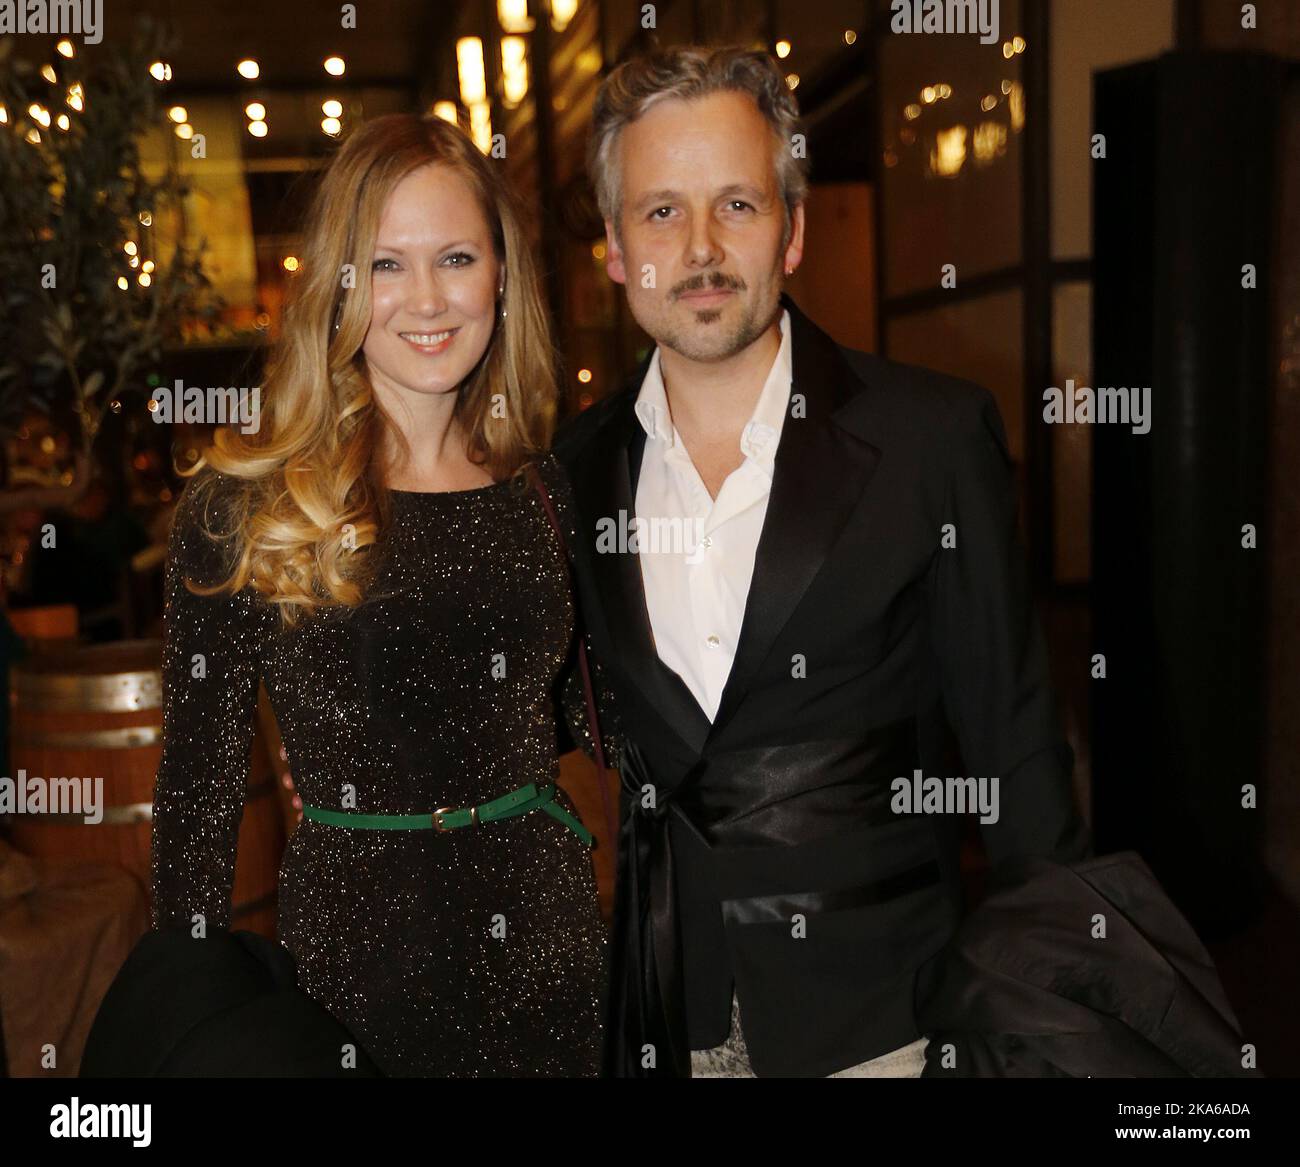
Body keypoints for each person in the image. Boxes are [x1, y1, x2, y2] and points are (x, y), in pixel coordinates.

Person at [553, 45, 1092, 1078]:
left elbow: (1017, 755)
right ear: (615, 248)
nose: (700, 246)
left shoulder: (929, 442)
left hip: (888, 1018)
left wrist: (1046, 1019)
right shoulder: (572, 475)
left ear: (792, 230)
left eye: (737, 206)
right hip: (668, 1011)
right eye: (660, 212)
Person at [150, 112, 607, 1077]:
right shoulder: (245, 505)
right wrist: (183, 1014)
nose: (427, 298)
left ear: (501, 275)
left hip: (553, 948)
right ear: (339, 286)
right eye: (386, 264)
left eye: (455, 256)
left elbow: (577, 714)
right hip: (357, 975)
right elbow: (197, 799)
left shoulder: (541, 488)